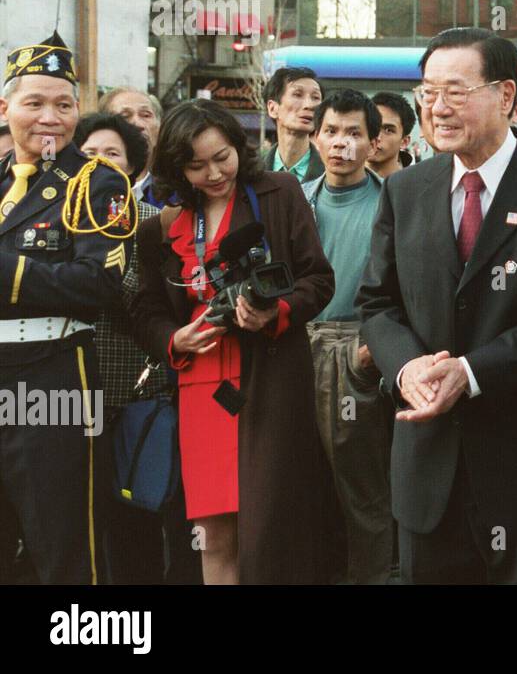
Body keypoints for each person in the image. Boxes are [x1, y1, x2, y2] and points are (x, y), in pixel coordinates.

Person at [357, 28, 517, 584]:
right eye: (427, 93)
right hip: (426, 469)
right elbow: (377, 301)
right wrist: (407, 367)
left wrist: (471, 372)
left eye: (455, 91)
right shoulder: (406, 190)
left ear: (507, 96)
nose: (438, 108)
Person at [130, 100, 335, 584]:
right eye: (196, 166)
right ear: (177, 168)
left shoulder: (278, 193)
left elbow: (318, 280)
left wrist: (273, 311)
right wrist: (175, 338)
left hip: (270, 377)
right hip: (200, 384)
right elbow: (143, 309)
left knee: (268, 526)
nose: (214, 173)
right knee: (213, 531)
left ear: (237, 146)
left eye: (222, 157)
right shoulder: (163, 223)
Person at [0, 34, 135, 584]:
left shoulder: (98, 182)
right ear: (5, 108)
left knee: (65, 541)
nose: (49, 118)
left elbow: (96, 284)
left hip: (53, 376)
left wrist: (7, 274)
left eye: (63, 104)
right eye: (34, 103)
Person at [75, 113, 201, 585]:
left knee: (140, 510)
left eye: (111, 154)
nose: (98, 163)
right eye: (87, 154)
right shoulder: (63, 220)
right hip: (69, 393)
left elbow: (156, 303)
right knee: (83, 519)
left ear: (132, 166)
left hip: (134, 390)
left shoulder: (152, 223)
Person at [302, 89, 391, 585]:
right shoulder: (296, 201)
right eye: (331, 132)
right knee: (299, 485)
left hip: (357, 346)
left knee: (362, 488)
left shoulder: (391, 201)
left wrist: (367, 351)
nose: (342, 144)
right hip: (296, 346)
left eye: (355, 133)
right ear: (315, 138)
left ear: (374, 142)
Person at [100, 86, 166, 208]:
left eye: (146, 115)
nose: (138, 124)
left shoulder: (176, 195)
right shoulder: (87, 186)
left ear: (159, 128)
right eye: (125, 116)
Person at [262, 66, 324, 183]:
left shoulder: (331, 174)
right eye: (297, 94)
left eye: (315, 97)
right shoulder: (251, 172)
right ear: (273, 108)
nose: (309, 105)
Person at [367, 90, 416, 180]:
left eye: (388, 130)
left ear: (404, 141)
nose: (377, 137)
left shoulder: (415, 188)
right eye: (372, 126)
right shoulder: (340, 183)